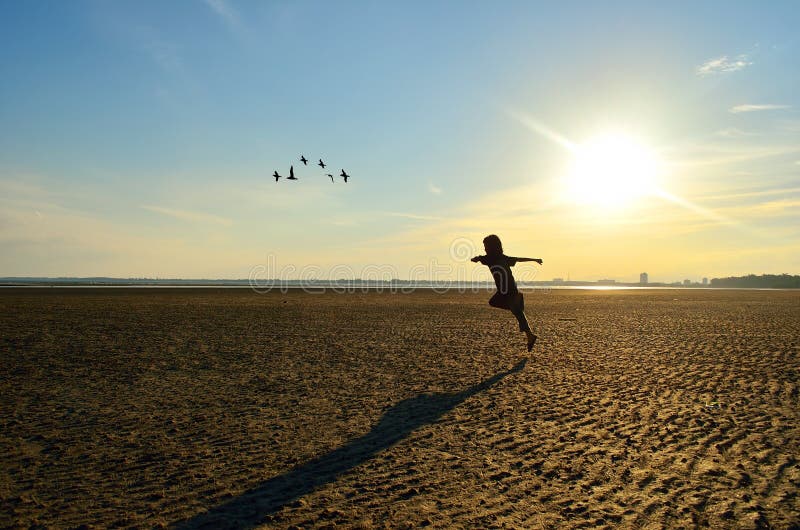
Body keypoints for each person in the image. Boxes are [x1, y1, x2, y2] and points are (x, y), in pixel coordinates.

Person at [471, 235, 543, 352]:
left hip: (510, 290)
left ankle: (530, 336)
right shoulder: (495, 258)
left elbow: (519, 259)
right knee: (500, 305)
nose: (484, 249)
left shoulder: (493, 259)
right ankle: (529, 335)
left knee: (517, 313)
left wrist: (534, 260)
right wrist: (477, 258)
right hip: (503, 291)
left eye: (485, 246)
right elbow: (480, 258)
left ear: (491, 247)